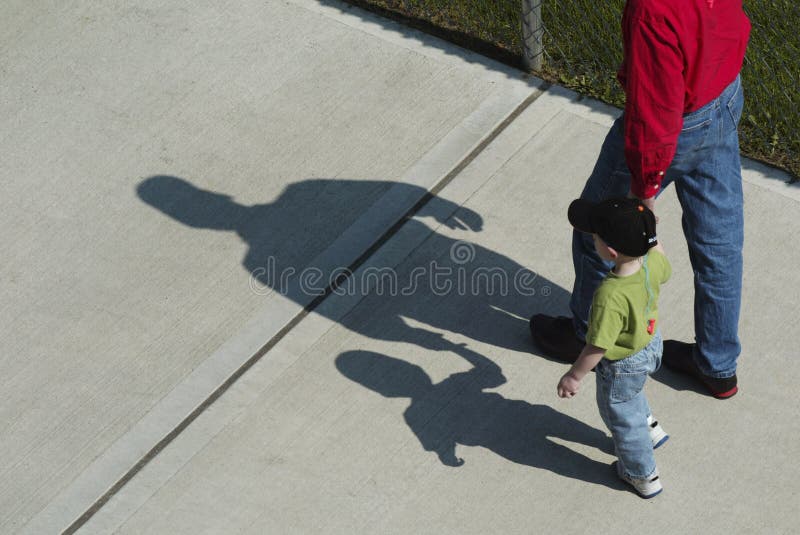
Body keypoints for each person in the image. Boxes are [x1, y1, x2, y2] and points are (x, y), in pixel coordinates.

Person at [532, 0, 750, 399]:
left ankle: (585, 334)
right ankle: (717, 365)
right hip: (724, 94)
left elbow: (657, 106)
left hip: (677, 124)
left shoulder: (653, 9)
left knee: (596, 227)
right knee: (719, 245)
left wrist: (645, 190)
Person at [557, 197, 670, 498]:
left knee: (619, 413)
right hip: (650, 345)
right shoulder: (652, 263)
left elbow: (598, 346)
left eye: (594, 236)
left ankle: (642, 474)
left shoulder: (610, 295)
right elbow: (657, 250)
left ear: (610, 252)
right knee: (632, 395)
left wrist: (574, 376)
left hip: (623, 364)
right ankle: (650, 427)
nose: (592, 239)